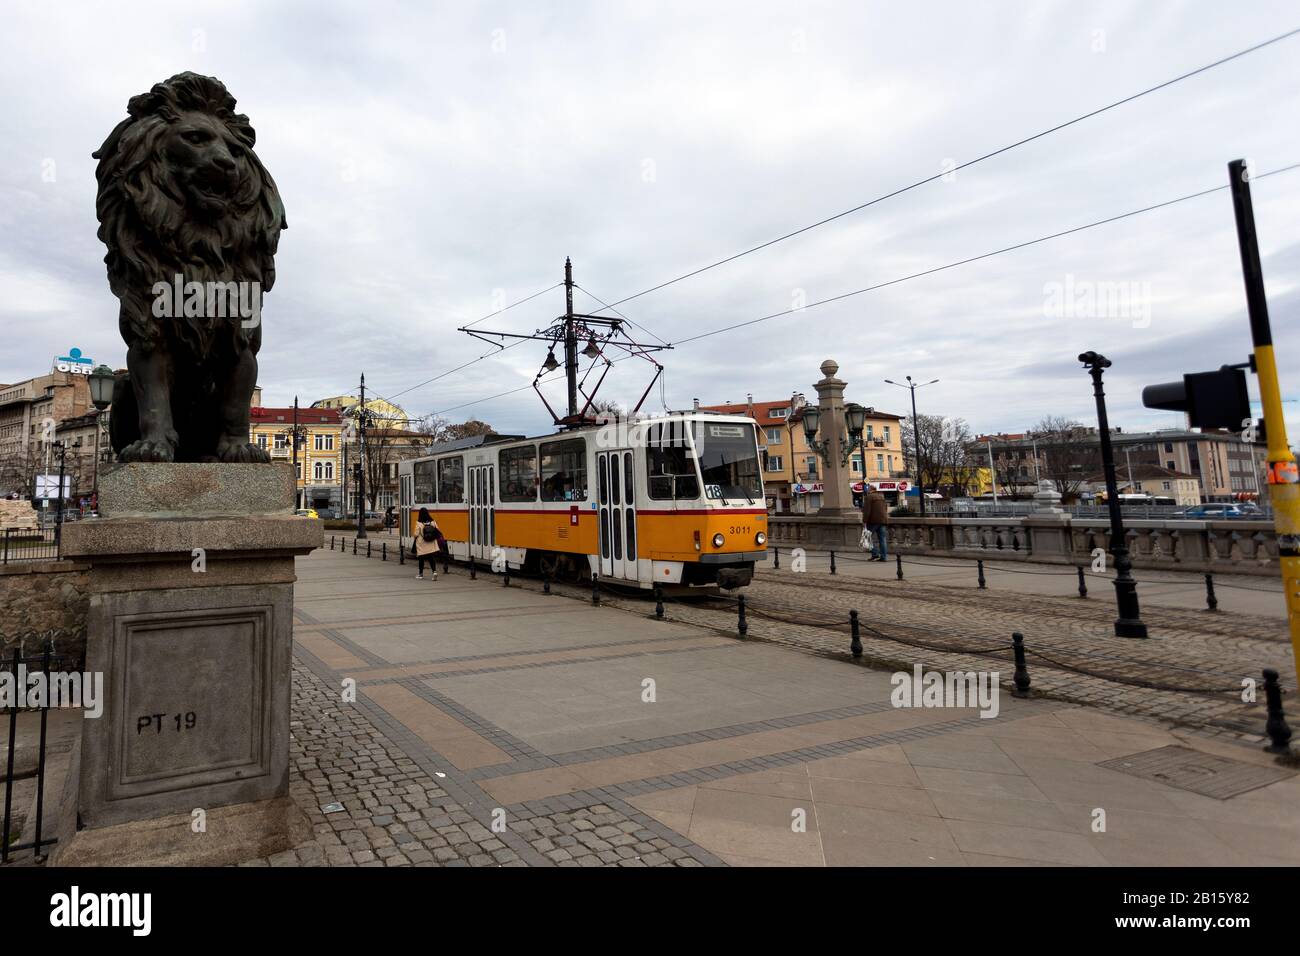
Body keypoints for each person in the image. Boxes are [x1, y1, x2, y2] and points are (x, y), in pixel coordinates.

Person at [413, 506, 440, 580]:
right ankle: (434, 572)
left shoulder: (419, 523)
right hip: (431, 542)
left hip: (422, 543)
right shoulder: (433, 522)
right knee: (431, 558)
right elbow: (437, 530)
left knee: (421, 559)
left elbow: (415, 534)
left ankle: (421, 574)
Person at [863, 488, 890, 561]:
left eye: (868, 489)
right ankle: (883, 557)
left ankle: (875, 553)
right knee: (882, 539)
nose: (867, 490)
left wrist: (864, 521)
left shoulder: (869, 497)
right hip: (883, 520)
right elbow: (886, 508)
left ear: (870, 490)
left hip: (873, 520)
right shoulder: (881, 497)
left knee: (866, 537)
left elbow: (867, 510)